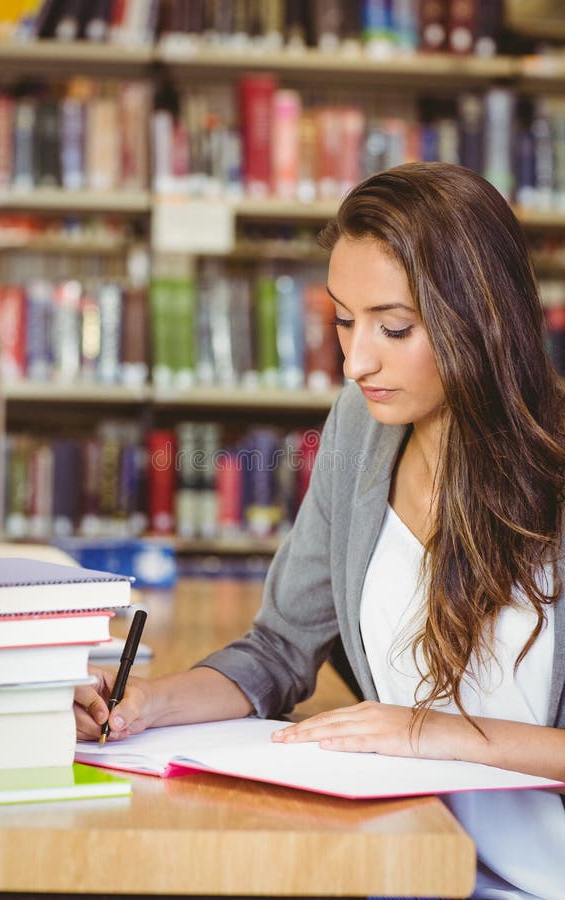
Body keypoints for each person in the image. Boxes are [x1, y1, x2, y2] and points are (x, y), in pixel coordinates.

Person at [75, 162, 565, 900]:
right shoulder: (358, 429)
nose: (355, 360)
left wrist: (424, 730)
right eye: (343, 319)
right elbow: (278, 650)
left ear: (481, 318)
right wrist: (149, 702)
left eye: (393, 327)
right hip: (413, 871)